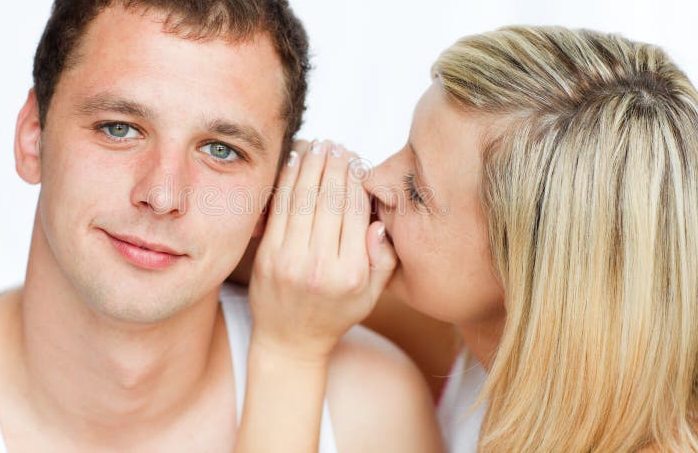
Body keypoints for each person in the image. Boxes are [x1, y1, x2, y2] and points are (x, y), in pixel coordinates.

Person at [0, 0, 441, 452]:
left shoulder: (370, 415)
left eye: (222, 150)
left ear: (269, 198)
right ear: (33, 138)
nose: (161, 195)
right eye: (119, 128)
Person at [235, 26, 698, 452]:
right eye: (405, 149)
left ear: (528, 273)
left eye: (416, 191)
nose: (375, 178)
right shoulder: (463, 331)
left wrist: (289, 352)